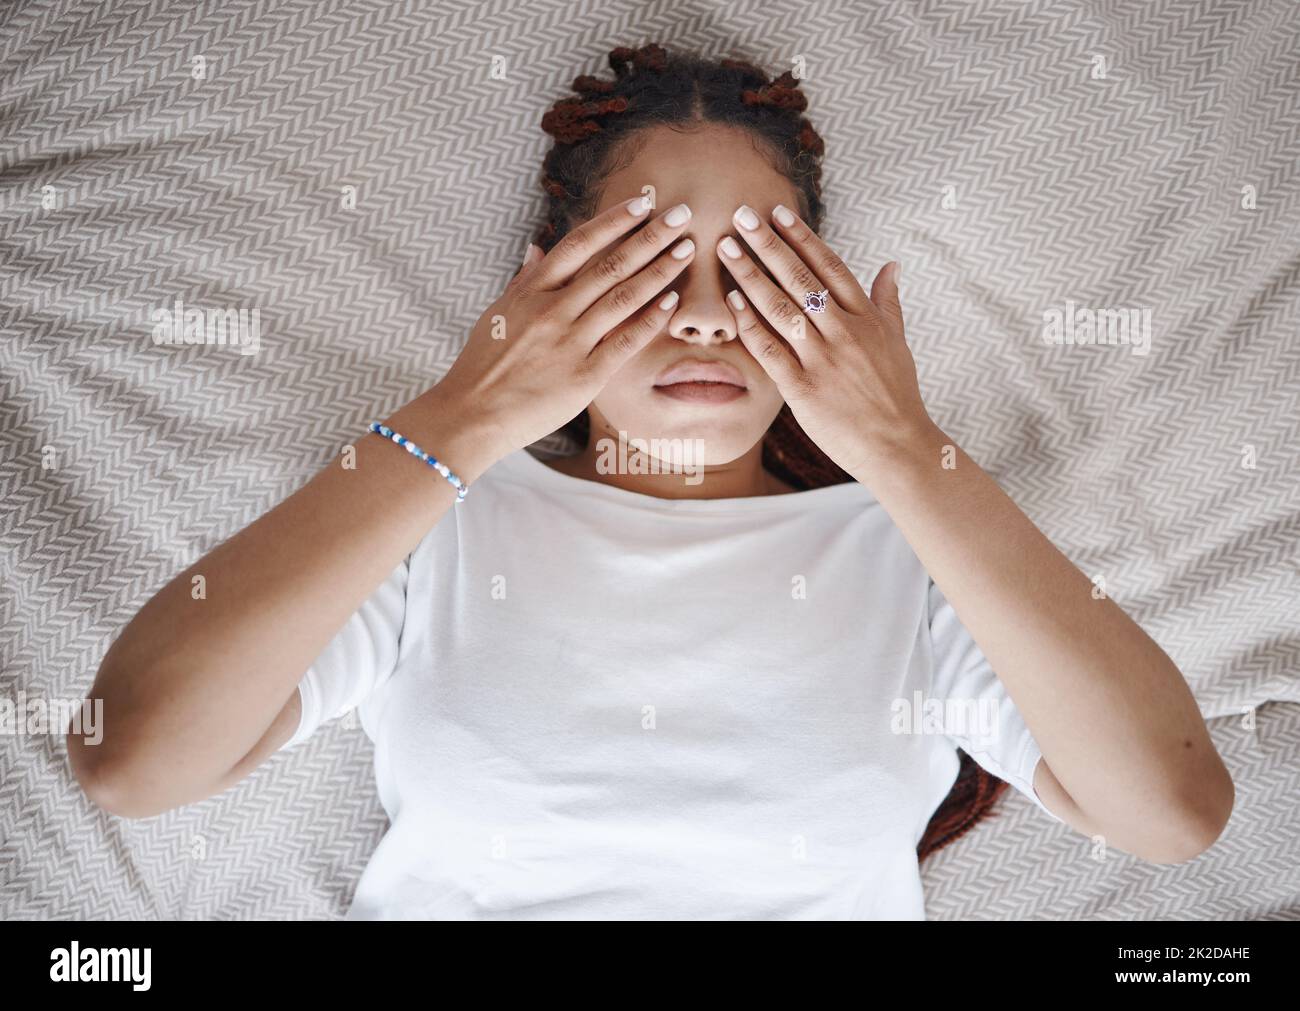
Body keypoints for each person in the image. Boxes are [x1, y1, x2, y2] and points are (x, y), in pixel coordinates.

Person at [69, 44, 1233, 919]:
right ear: (541, 288)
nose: (704, 317)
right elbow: (133, 760)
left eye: (757, 267)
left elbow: (1170, 814)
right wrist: (466, 413)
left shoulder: (915, 559)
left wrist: (903, 446)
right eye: (648, 264)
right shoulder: (437, 524)